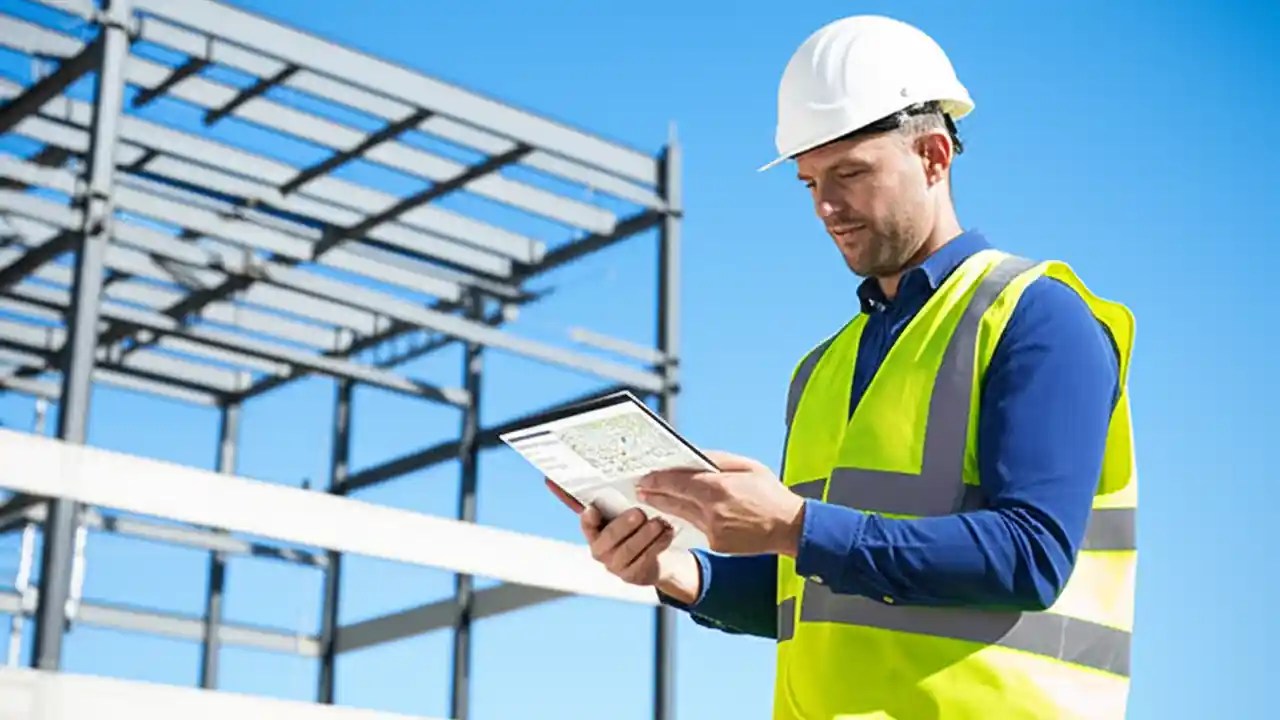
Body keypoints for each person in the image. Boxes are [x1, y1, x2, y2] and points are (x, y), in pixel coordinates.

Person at [556, 14, 1138, 720]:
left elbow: (1032, 554)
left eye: (851, 174)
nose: (827, 208)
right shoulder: (821, 370)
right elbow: (818, 594)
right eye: (809, 184)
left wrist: (794, 525)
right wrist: (674, 568)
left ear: (934, 156)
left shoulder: (1037, 318)